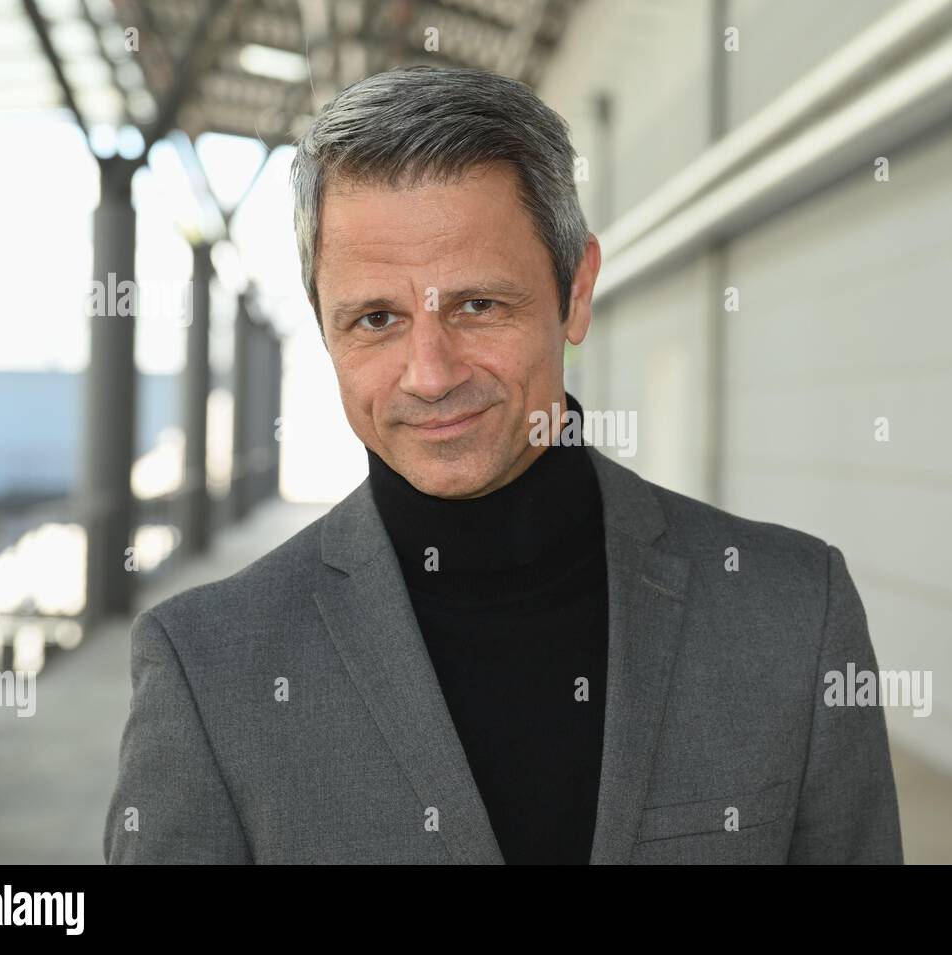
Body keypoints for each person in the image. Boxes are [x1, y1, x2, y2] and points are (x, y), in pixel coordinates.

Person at [104, 65, 902, 864]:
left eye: (477, 305)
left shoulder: (794, 612)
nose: (431, 372)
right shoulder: (206, 669)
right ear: (324, 328)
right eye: (376, 318)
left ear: (576, 292)